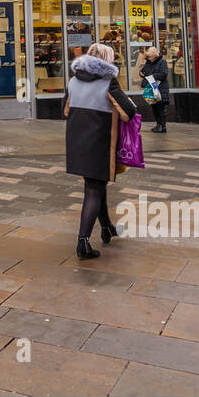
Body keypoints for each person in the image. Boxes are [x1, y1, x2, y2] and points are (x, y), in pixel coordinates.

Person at [64, 43, 138, 260]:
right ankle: (83, 243)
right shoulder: (108, 82)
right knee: (94, 190)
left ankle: (107, 228)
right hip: (99, 142)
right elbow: (129, 112)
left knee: (96, 185)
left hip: (77, 143)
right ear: (107, 59)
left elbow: (65, 110)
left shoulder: (73, 80)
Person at [138, 45, 170, 133]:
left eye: (151, 57)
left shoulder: (162, 62)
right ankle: (158, 125)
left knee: (160, 107)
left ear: (155, 55)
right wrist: (141, 73)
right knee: (154, 107)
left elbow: (164, 74)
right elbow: (144, 71)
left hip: (160, 87)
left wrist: (152, 76)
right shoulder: (148, 62)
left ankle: (162, 126)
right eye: (148, 57)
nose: (149, 58)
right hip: (152, 88)